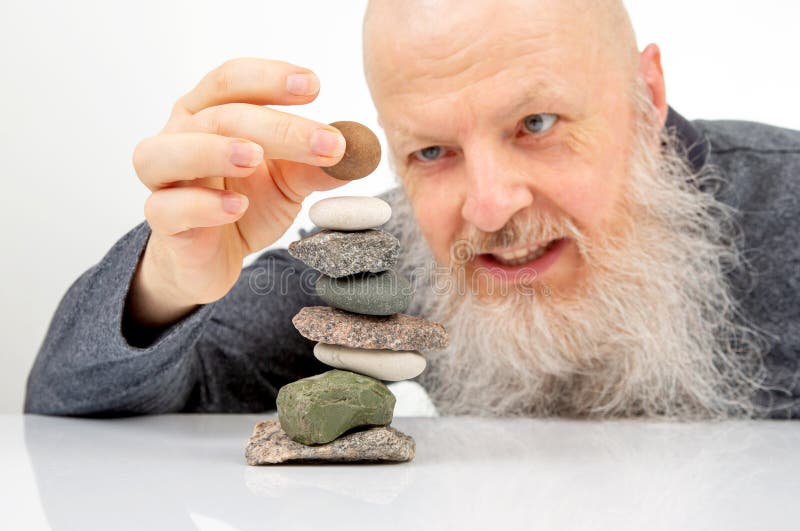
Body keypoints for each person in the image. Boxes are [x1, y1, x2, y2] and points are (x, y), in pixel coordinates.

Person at [25, 0, 800, 418]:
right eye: (431, 151)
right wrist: (169, 281)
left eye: (536, 124)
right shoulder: (379, 264)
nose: (489, 209)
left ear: (647, 97)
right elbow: (66, 407)